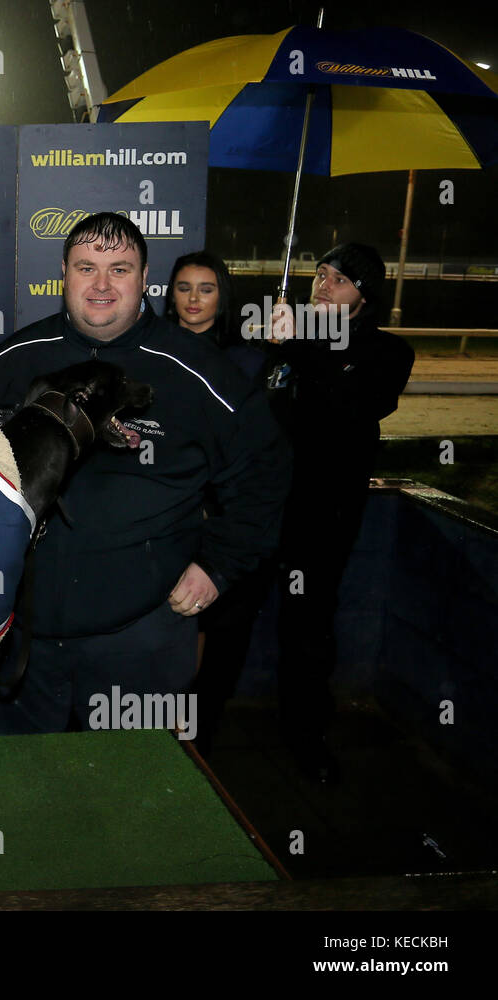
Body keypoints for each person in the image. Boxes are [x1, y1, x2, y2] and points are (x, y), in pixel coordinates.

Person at [0, 213, 291, 736]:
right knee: (16, 800)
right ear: (63, 273)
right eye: (86, 268)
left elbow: (266, 472)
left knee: (131, 803)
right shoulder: (14, 362)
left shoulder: (199, 371)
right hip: (20, 635)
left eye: (120, 269)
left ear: (144, 279)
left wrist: (219, 566)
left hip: (141, 641)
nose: (101, 285)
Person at [266, 243, 414, 781]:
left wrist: (297, 343)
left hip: (322, 516)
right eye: (320, 274)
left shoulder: (388, 352)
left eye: (338, 280)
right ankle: (197, 732)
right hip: (261, 507)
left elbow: (349, 404)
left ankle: (306, 735)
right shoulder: (283, 339)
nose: (321, 285)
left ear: (364, 294)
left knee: (308, 624)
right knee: (226, 616)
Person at [165, 249, 270, 754]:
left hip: (221, 514)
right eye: (184, 287)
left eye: (206, 289)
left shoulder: (248, 359)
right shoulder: (151, 350)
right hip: (164, 511)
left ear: (222, 297)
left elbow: (258, 451)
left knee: (213, 628)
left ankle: (197, 737)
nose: (193, 299)